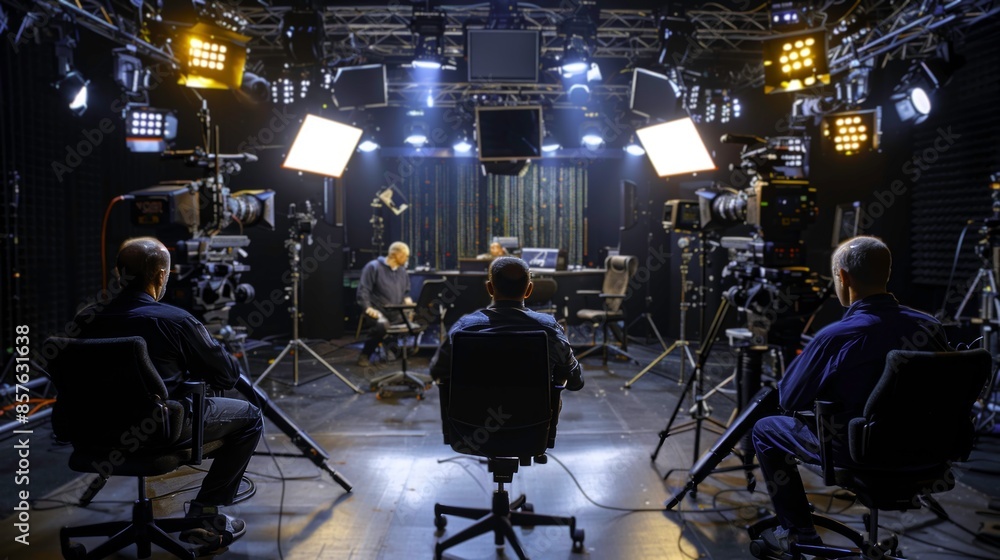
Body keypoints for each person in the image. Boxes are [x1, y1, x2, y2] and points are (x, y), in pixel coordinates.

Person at [751, 236, 949, 554]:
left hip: (856, 454)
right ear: (886, 273)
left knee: (765, 429)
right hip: (925, 452)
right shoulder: (930, 327)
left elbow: (789, 400)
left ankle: (799, 533)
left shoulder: (835, 337)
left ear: (842, 277)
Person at [73, 237, 262, 552]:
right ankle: (205, 514)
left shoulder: (83, 319)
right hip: (158, 432)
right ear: (161, 276)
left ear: (119, 273)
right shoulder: (175, 320)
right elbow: (227, 375)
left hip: (91, 431)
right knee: (251, 417)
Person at [429, 256, 584, 447]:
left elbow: (438, 370)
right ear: (529, 290)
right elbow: (575, 381)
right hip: (532, 429)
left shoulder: (464, 327)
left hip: (469, 429)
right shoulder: (549, 328)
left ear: (490, 289)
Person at [356, 241, 414, 367]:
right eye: (406, 255)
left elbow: (406, 292)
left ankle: (391, 349)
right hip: (378, 312)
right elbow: (363, 291)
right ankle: (365, 354)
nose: (407, 259)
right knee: (382, 325)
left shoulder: (402, 271)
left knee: (414, 321)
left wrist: (408, 302)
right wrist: (368, 308)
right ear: (397, 255)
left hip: (396, 313)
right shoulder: (373, 267)